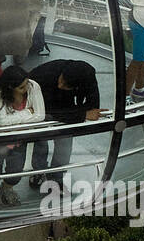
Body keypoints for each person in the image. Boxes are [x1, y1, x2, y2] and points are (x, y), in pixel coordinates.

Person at [28, 60, 102, 188]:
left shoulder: (87, 76)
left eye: (66, 85)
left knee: (65, 141)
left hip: (64, 105)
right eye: (61, 79)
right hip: (41, 102)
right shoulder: (45, 75)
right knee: (40, 139)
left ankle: (57, 176)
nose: (60, 85)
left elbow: (93, 106)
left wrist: (73, 114)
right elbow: (45, 112)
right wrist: (81, 114)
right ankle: (38, 171)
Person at [0, 65, 45, 208]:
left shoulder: (33, 87)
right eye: (22, 87)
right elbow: (2, 122)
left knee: (16, 170)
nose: (27, 88)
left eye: (27, 83)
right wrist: (28, 113)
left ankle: (7, 188)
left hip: (20, 139)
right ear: (10, 87)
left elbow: (40, 116)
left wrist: (16, 118)